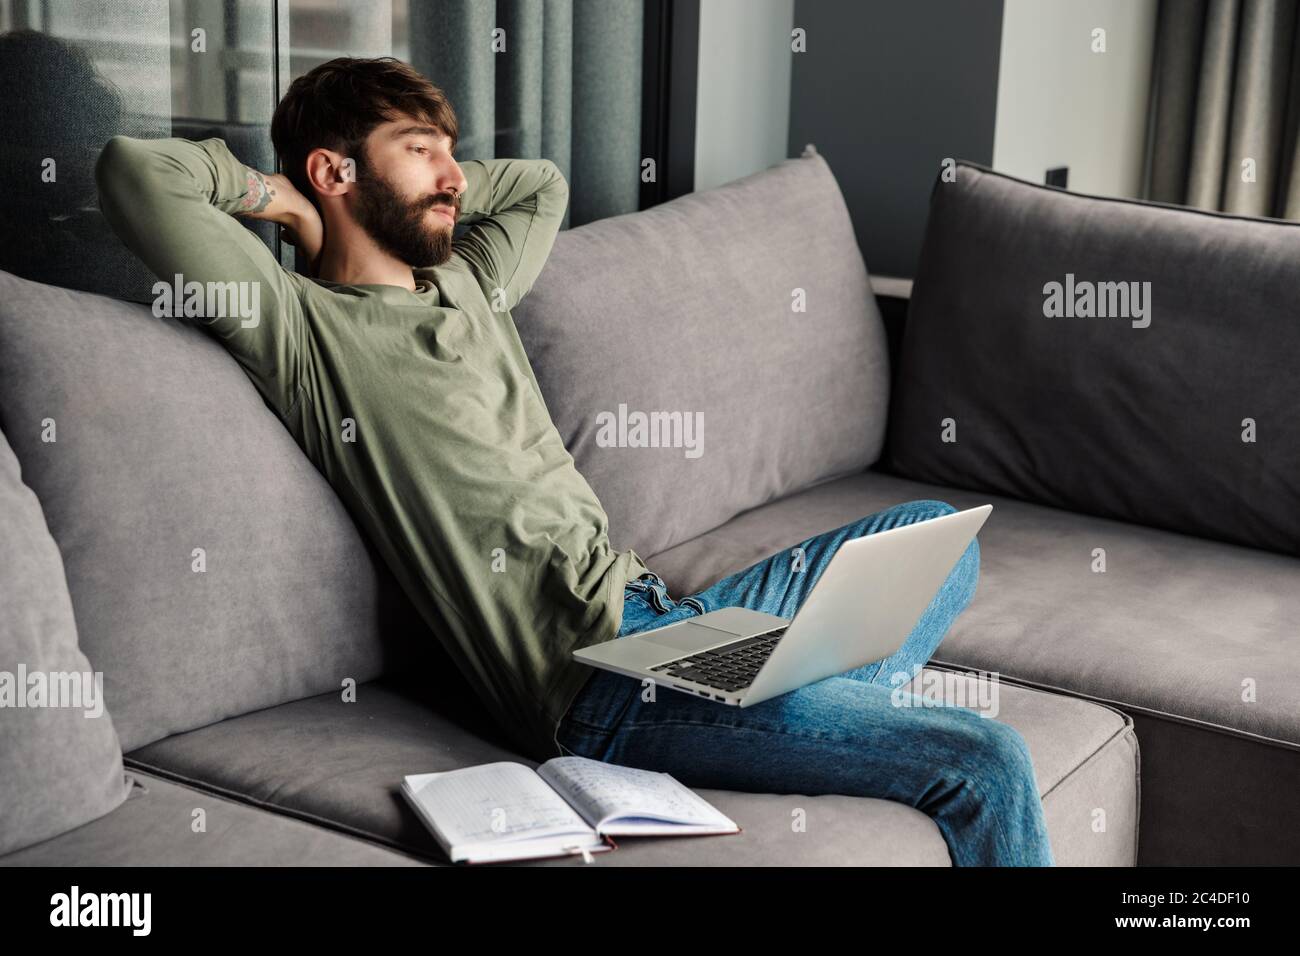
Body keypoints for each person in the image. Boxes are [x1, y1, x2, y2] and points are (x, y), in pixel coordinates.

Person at [95, 55, 1052, 866]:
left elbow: (539, 182)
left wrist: (421, 173)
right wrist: (291, 208)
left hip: (672, 620)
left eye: (449, 148)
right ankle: (787, 713)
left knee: (935, 535)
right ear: (334, 169)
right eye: (418, 149)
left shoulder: (472, 282)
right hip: (590, 684)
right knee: (986, 760)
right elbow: (136, 171)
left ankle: (790, 703)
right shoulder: (306, 331)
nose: (452, 175)